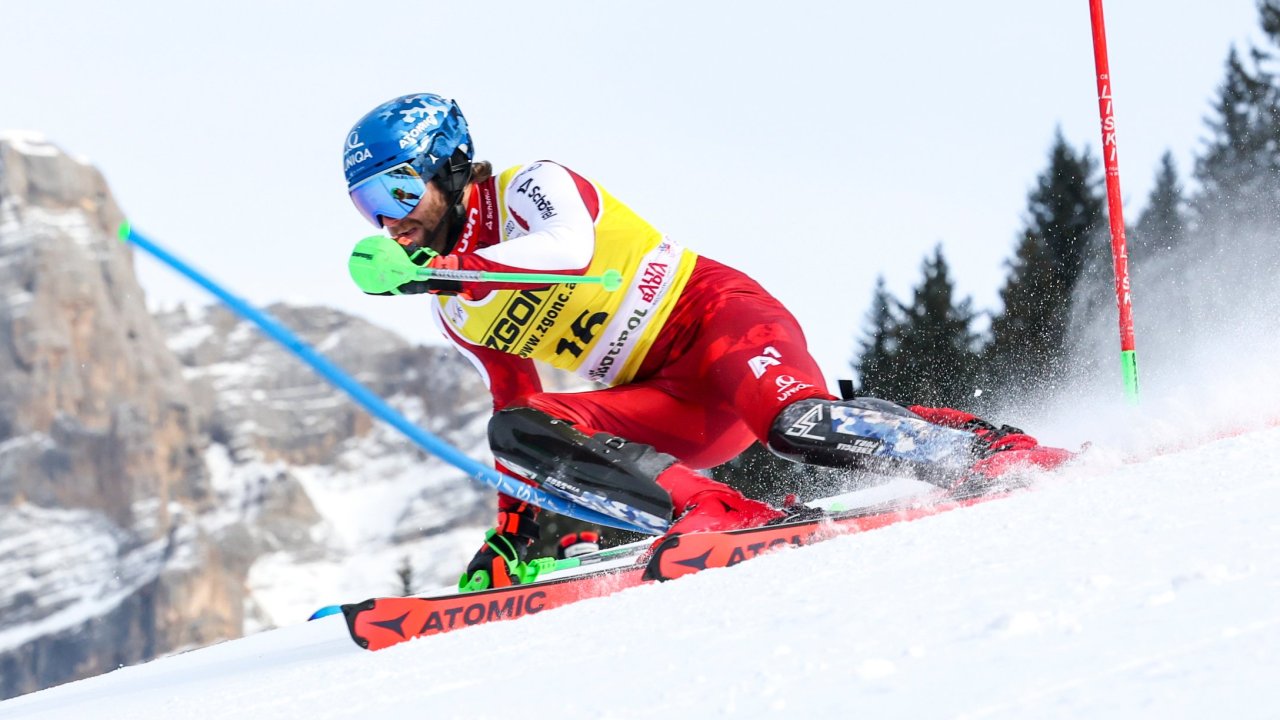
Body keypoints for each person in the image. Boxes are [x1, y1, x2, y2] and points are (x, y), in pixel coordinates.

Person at [342, 93, 1070, 591]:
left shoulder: (532, 186)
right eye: (368, 206)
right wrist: (517, 529)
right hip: (673, 401)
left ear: (446, 165)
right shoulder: (456, 306)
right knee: (520, 424)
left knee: (798, 427)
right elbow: (521, 415)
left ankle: (975, 449)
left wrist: (448, 271)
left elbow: (567, 250)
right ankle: (715, 511)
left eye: (398, 194)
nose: (389, 223)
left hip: (722, 324)